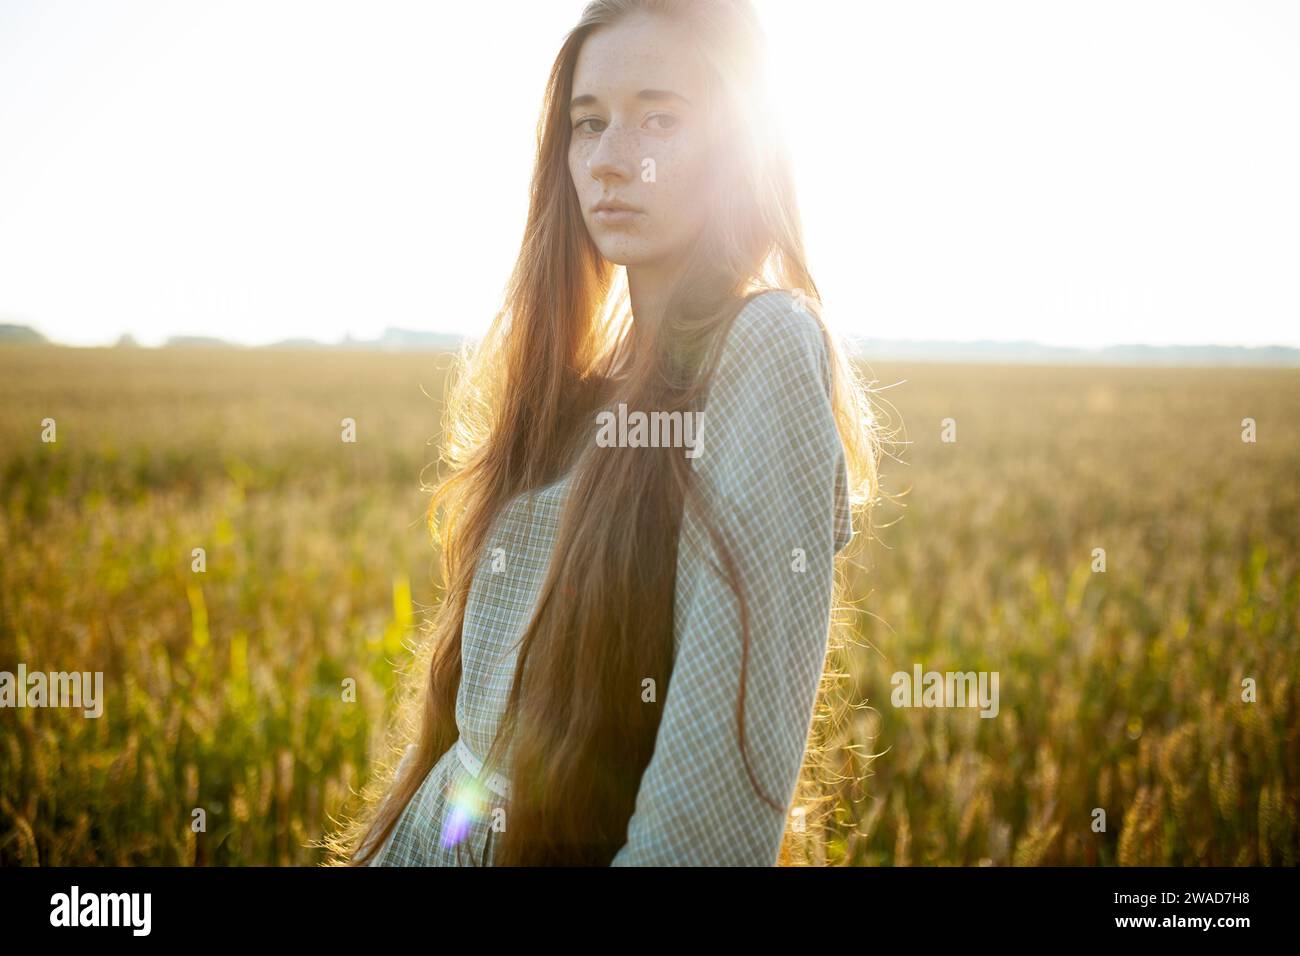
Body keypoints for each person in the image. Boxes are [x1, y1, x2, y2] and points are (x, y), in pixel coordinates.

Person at [330, 0, 882, 867]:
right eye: (589, 125)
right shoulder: (569, 388)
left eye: (658, 118)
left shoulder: (765, 351)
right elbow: (460, 747)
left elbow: (707, 822)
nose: (611, 162)